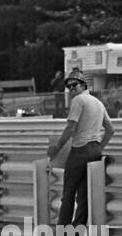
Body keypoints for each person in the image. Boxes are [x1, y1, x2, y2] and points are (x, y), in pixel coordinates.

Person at [48, 71, 115, 228]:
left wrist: (57, 147)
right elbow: (111, 129)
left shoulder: (78, 100)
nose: (71, 89)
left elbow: (71, 128)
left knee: (68, 194)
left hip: (79, 151)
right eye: (68, 87)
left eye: (74, 85)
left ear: (83, 86)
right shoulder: (98, 103)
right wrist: (99, 147)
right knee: (84, 196)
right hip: (95, 152)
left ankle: (62, 234)